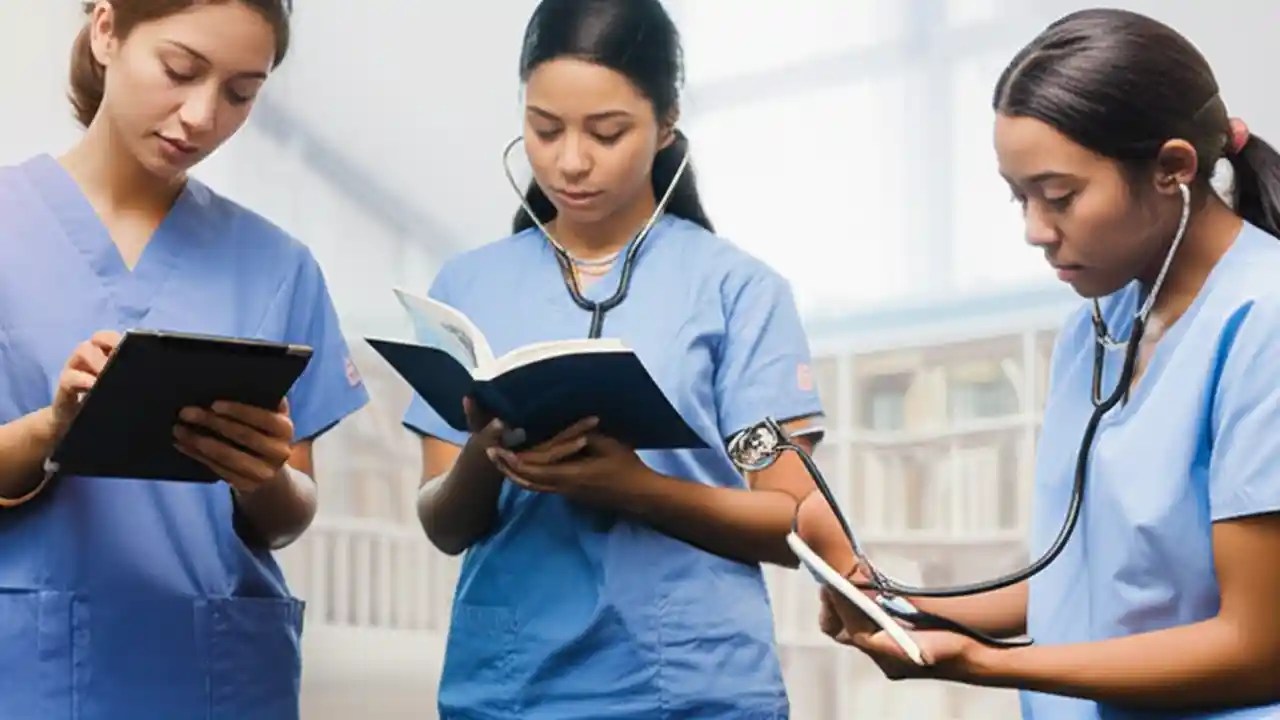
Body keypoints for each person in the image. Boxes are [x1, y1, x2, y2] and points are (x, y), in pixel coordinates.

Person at [803, 8, 1280, 719]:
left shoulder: (1264, 321)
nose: (1033, 230)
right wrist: (912, 609)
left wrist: (990, 667)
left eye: (1059, 196)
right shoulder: (1099, 323)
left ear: (1172, 169)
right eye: (1018, 196)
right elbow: (1080, 583)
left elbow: (1256, 646)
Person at [406, 0, 826, 717]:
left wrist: (633, 487)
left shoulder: (738, 292)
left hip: (693, 688)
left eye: (607, 132)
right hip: (511, 688)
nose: (570, 161)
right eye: (544, 129)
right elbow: (444, 525)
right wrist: (487, 449)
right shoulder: (467, 287)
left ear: (667, 124)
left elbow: (797, 525)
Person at [0, 1, 367, 717]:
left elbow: (287, 517)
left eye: (240, 93)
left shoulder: (278, 267)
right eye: (180, 70)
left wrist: (263, 475)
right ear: (106, 30)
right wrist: (53, 428)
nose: (203, 116)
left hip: (214, 679)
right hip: (30, 675)